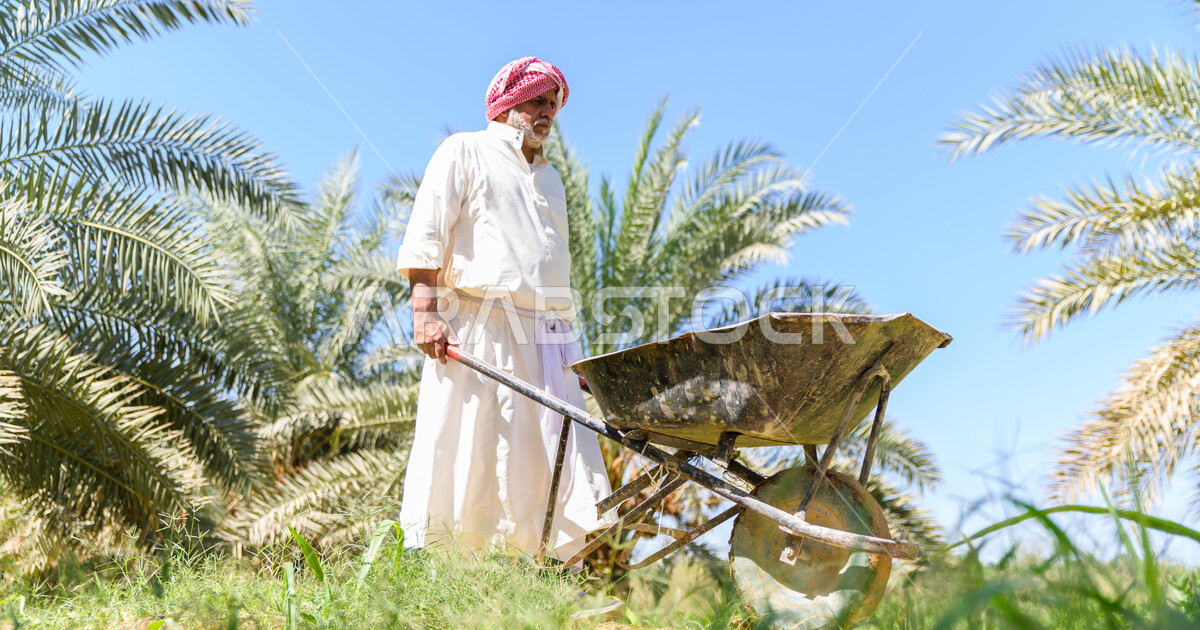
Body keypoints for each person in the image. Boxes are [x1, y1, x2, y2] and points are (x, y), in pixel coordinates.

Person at [395, 56, 615, 564]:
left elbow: (552, 268)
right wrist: (424, 313)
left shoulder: (552, 181)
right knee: (468, 446)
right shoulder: (464, 151)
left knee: (544, 460)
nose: (548, 112)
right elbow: (427, 232)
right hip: (476, 327)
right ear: (509, 102)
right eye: (539, 99)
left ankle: (528, 577)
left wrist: (569, 352)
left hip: (545, 337)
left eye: (554, 104)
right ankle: (452, 573)